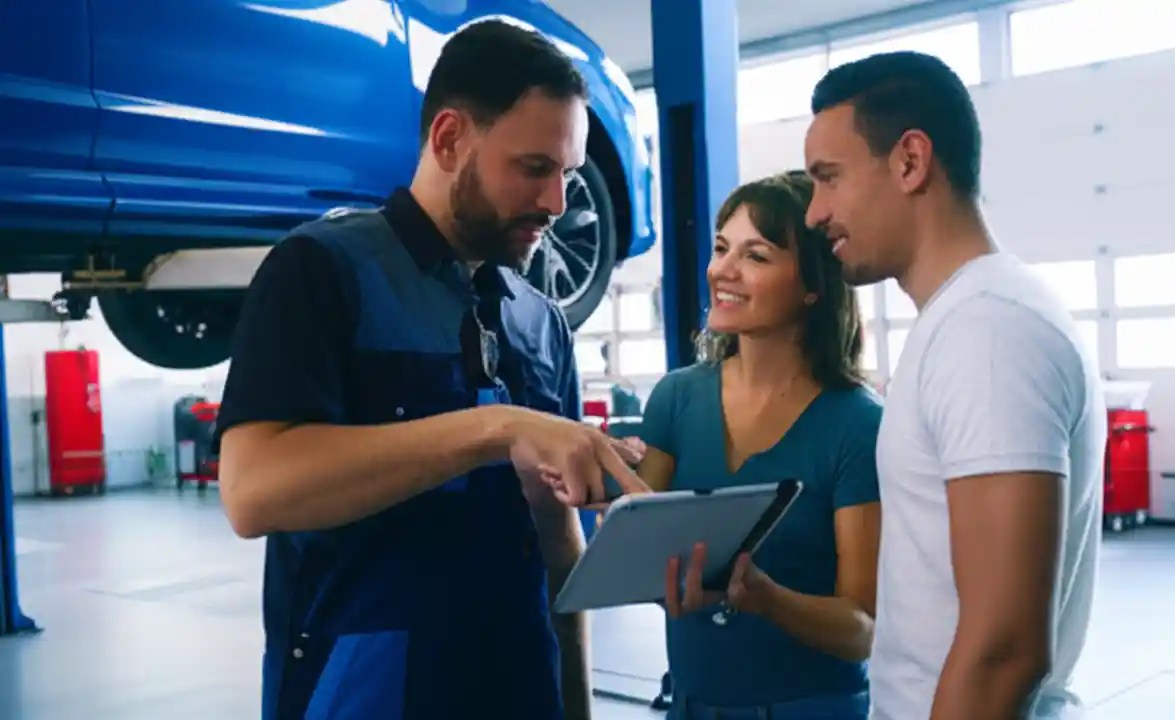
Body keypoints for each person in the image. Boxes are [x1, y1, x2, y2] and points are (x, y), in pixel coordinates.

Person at [213, 20, 647, 720]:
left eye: (567, 175)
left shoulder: (541, 321)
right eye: (534, 168)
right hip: (365, 698)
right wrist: (494, 429)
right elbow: (254, 492)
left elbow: (557, 549)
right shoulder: (323, 272)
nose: (558, 204)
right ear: (449, 139)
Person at [802, 51, 1106, 719]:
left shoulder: (988, 332)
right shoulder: (964, 320)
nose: (814, 213)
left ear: (910, 161)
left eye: (829, 179)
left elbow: (1005, 649)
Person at [633, 172, 883, 719]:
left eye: (756, 256)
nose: (722, 270)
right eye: (722, 249)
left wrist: (764, 598)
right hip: (692, 707)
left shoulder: (857, 425)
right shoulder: (676, 399)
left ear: (813, 285)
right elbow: (641, 562)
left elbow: (864, 629)